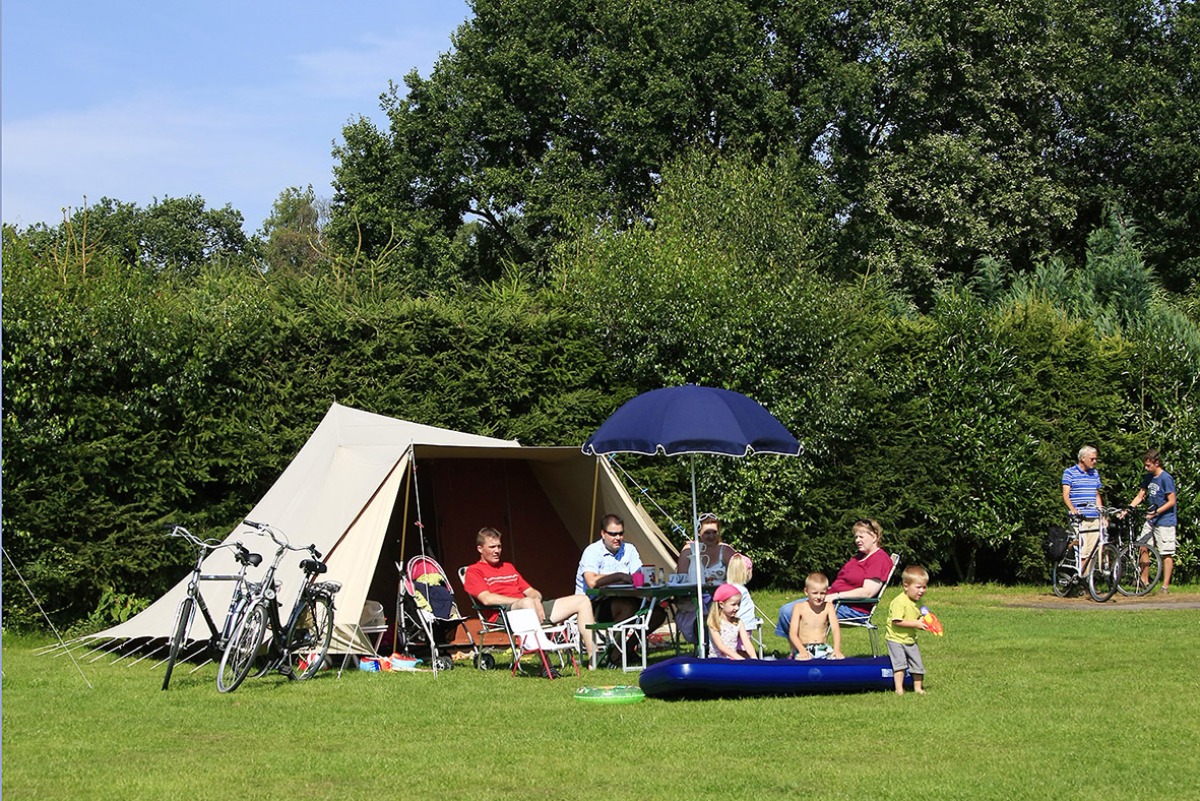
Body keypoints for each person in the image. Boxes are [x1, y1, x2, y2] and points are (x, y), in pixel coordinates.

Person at [463, 526, 598, 666]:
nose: (497, 551)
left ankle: (594, 658)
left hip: (530, 607)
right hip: (502, 614)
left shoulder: (508, 567)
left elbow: (533, 592)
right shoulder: (474, 571)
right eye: (492, 547)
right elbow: (486, 598)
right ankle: (546, 664)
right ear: (480, 549)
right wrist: (525, 601)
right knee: (526, 603)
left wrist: (535, 600)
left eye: (499, 546)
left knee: (582, 600)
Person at [775, 518, 892, 637]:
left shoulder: (879, 559)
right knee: (786, 610)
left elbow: (867, 592)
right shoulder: (859, 557)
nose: (857, 540)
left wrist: (835, 596)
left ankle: (807, 650)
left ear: (874, 536)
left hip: (850, 608)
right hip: (834, 601)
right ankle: (801, 650)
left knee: (790, 612)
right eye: (856, 537)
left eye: (861, 537)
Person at [674, 512, 738, 643]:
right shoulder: (689, 550)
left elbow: (740, 571)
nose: (711, 536)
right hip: (694, 601)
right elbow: (682, 578)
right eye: (707, 533)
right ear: (699, 533)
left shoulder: (724, 550)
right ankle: (704, 645)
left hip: (721, 601)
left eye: (714, 532)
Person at [1126, 449, 1178, 594]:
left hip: (1165, 521)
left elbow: (1171, 501)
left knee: (1166, 553)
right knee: (1142, 546)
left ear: (1157, 463)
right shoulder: (1149, 477)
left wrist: (1156, 512)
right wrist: (1128, 509)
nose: (1146, 468)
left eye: (1149, 465)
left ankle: (1165, 586)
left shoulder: (1165, 478)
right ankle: (1145, 581)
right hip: (1151, 520)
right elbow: (1140, 495)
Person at [575, 513, 643, 623]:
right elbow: (591, 581)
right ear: (603, 533)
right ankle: (611, 640)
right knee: (627, 607)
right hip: (591, 604)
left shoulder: (629, 549)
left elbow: (639, 577)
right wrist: (620, 576)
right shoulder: (592, 551)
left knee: (657, 612)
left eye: (620, 534)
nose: (618, 538)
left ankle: (627, 641)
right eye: (613, 534)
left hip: (622, 598)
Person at [885, 565, 931, 695]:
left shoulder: (919, 602)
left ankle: (918, 688)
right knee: (900, 665)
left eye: (924, 587)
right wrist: (916, 624)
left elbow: (924, 614)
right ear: (906, 586)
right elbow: (897, 621)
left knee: (917, 664)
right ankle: (899, 689)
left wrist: (928, 621)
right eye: (918, 587)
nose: (922, 591)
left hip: (910, 639)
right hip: (895, 639)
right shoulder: (899, 602)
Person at [1062, 445, 1104, 574]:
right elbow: (1065, 495)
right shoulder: (1070, 473)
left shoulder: (1095, 474)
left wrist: (1102, 513)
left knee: (1093, 550)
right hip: (1079, 517)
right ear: (1083, 458)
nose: (1094, 462)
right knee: (1083, 550)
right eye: (1092, 459)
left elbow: (1096, 494)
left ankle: (1087, 579)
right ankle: (1081, 577)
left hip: (1093, 516)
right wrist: (1073, 510)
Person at [787, 572, 844, 660]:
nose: (819, 597)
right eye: (815, 593)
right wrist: (801, 650)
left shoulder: (828, 607)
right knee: (803, 661)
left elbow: (836, 630)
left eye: (822, 593)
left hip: (823, 647)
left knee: (838, 660)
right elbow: (792, 633)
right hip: (804, 647)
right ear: (806, 591)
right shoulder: (799, 607)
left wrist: (837, 649)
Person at [707, 583, 755, 659]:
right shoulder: (714, 622)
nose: (737, 607)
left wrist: (754, 657)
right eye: (733, 604)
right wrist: (737, 657)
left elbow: (747, 642)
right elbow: (720, 646)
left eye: (738, 604)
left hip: (732, 661)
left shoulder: (738, 622)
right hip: (717, 662)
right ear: (721, 604)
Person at [725, 553, 758, 628]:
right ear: (747, 572)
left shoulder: (728, 588)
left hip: (732, 626)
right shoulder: (741, 590)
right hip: (744, 625)